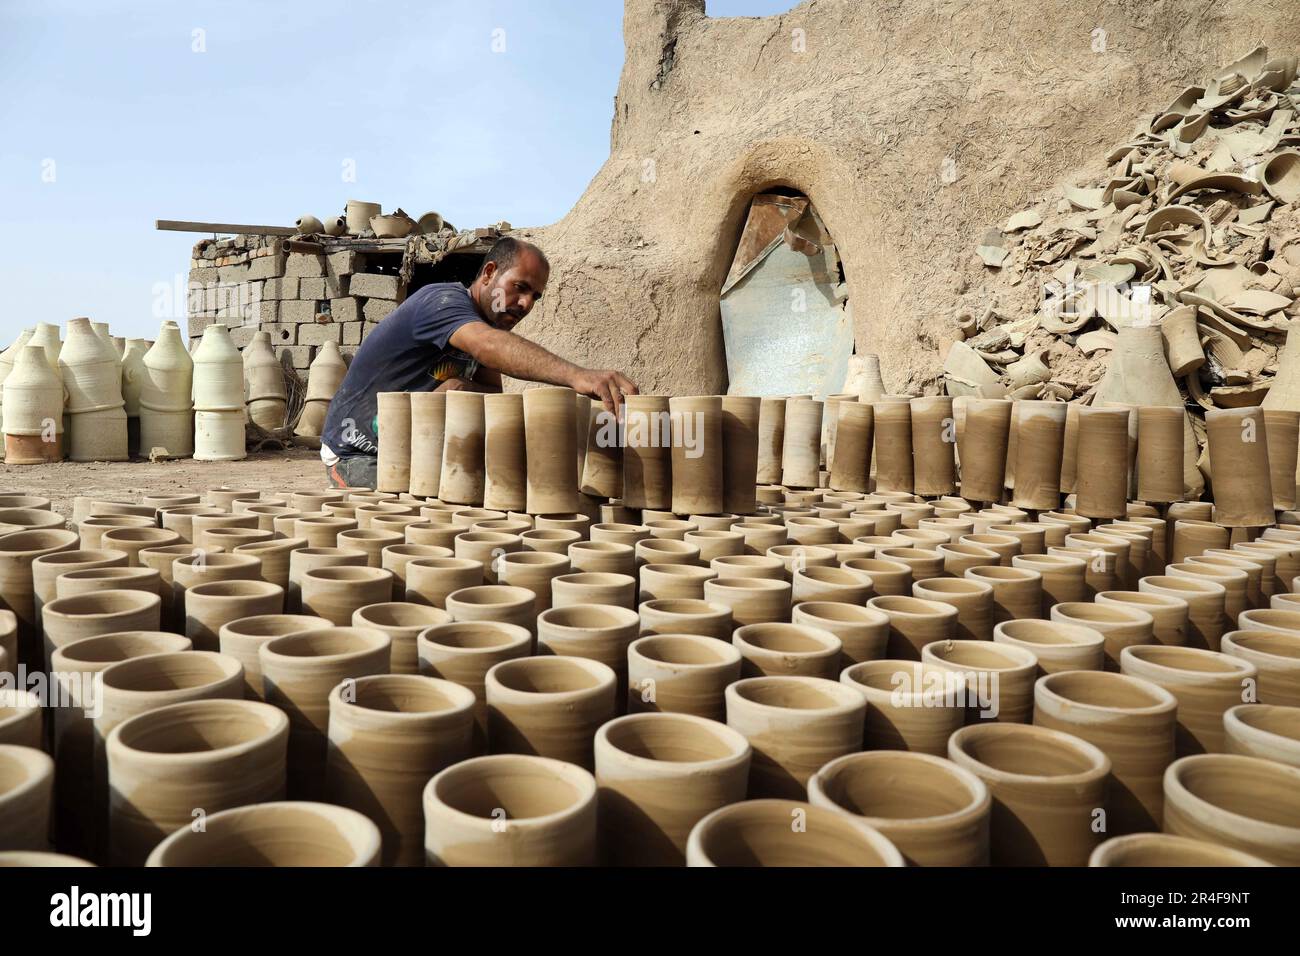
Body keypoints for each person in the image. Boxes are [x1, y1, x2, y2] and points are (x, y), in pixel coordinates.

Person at [319, 237, 638, 489]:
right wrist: (576, 375)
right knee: (422, 512)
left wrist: (461, 386)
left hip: (413, 450)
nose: (526, 303)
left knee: (495, 490)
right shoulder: (441, 302)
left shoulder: (489, 327)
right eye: (520, 287)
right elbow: (487, 346)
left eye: (535, 297)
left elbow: (490, 392)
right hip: (357, 452)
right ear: (489, 274)